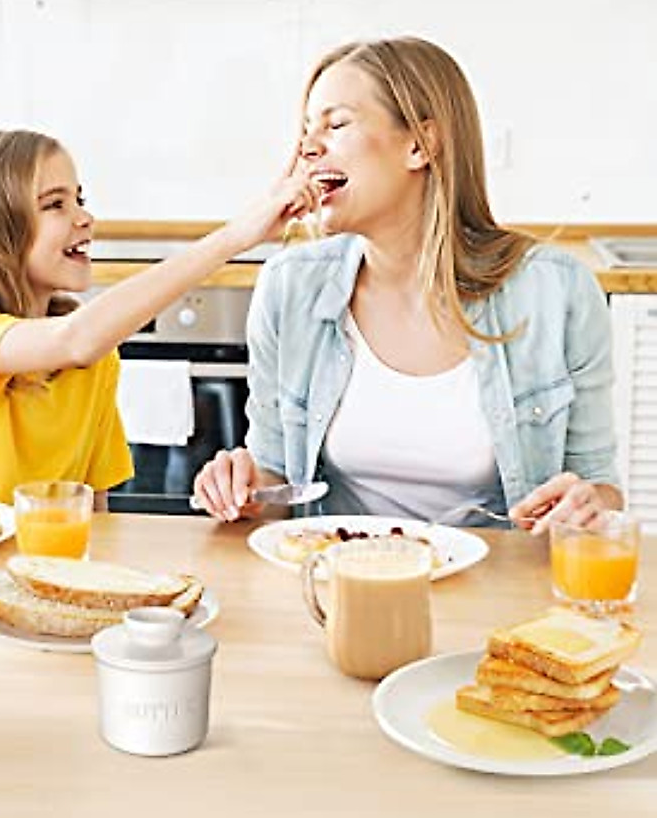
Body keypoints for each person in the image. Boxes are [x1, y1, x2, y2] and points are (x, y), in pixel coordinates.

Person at [193, 37, 621, 533]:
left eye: (336, 124)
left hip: (495, 594)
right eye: (307, 130)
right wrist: (242, 489)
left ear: (420, 144)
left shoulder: (557, 291)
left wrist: (588, 505)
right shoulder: (289, 286)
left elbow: (599, 484)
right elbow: (276, 483)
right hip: (337, 583)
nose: (306, 149)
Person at [0, 130, 317, 505]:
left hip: (38, 585)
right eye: (54, 205)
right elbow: (75, 338)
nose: (85, 218)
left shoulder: (92, 362)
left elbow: (95, 511)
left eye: (79, 199)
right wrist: (236, 237)